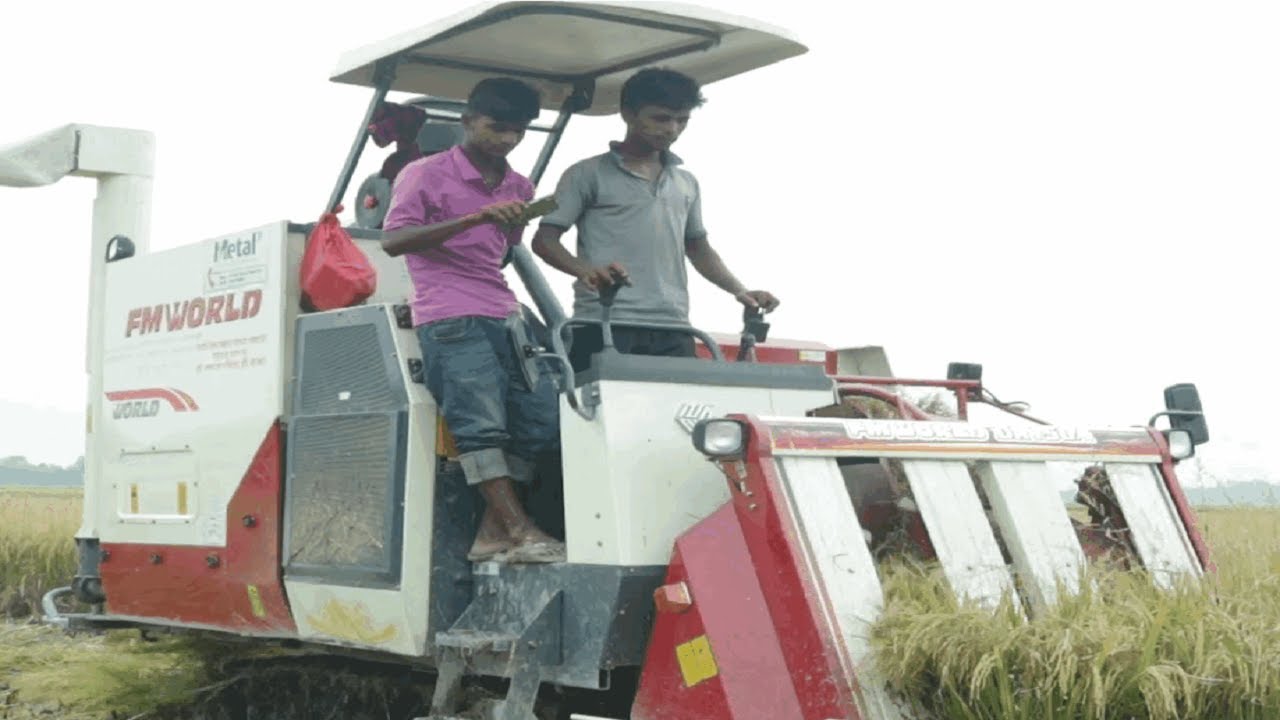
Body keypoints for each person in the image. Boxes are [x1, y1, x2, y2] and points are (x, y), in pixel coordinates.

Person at [381, 77, 564, 564]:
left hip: (502, 310)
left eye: (517, 131)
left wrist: (497, 223)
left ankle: (493, 532)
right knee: (480, 428)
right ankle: (521, 531)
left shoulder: (519, 185)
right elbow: (394, 242)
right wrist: (476, 218)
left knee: (542, 422)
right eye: (496, 127)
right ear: (467, 122)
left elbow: (502, 250)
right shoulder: (425, 174)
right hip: (448, 314)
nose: (506, 140)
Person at [531, 67, 780, 373]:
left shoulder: (686, 182)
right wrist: (588, 272)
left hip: (674, 326)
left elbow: (698, 247)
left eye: (682, 120)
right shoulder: (585, 174)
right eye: (661, 118)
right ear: (628, 115)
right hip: (604, 322)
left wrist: (738, 289)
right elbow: (544, 241)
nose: (672, 129)